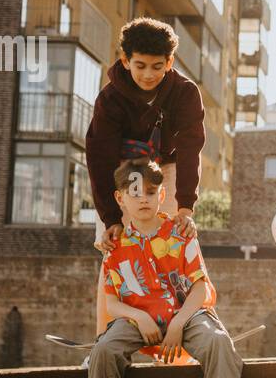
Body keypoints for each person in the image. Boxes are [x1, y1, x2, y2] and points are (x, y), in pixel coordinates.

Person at [65, 158, 247, 378]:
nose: (143, 198)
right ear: (120, 199)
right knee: (103, 351)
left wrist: (178, 322)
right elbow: (113, 301)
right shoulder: (114, 244)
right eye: (134, 192)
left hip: (186, 314)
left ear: (162, 195)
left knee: (220, 343)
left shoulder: (180, 232)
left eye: (150, 191)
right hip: (137, 317)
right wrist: (141, 318)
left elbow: (200, 287)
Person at [86, 17, 204, 335]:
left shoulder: (185, 93)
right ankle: (105, 339)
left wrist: (185, 207)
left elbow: (192, 149)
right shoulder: (110, 99)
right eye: (139, 66)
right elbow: (99, 161)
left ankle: (177, 332)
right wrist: (111, 218)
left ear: (170, 62)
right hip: (123, 172)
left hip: (166, 167)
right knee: (116, 253)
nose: (148, 75)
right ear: (125, 60)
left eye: (157, 66)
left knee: (170, 245)